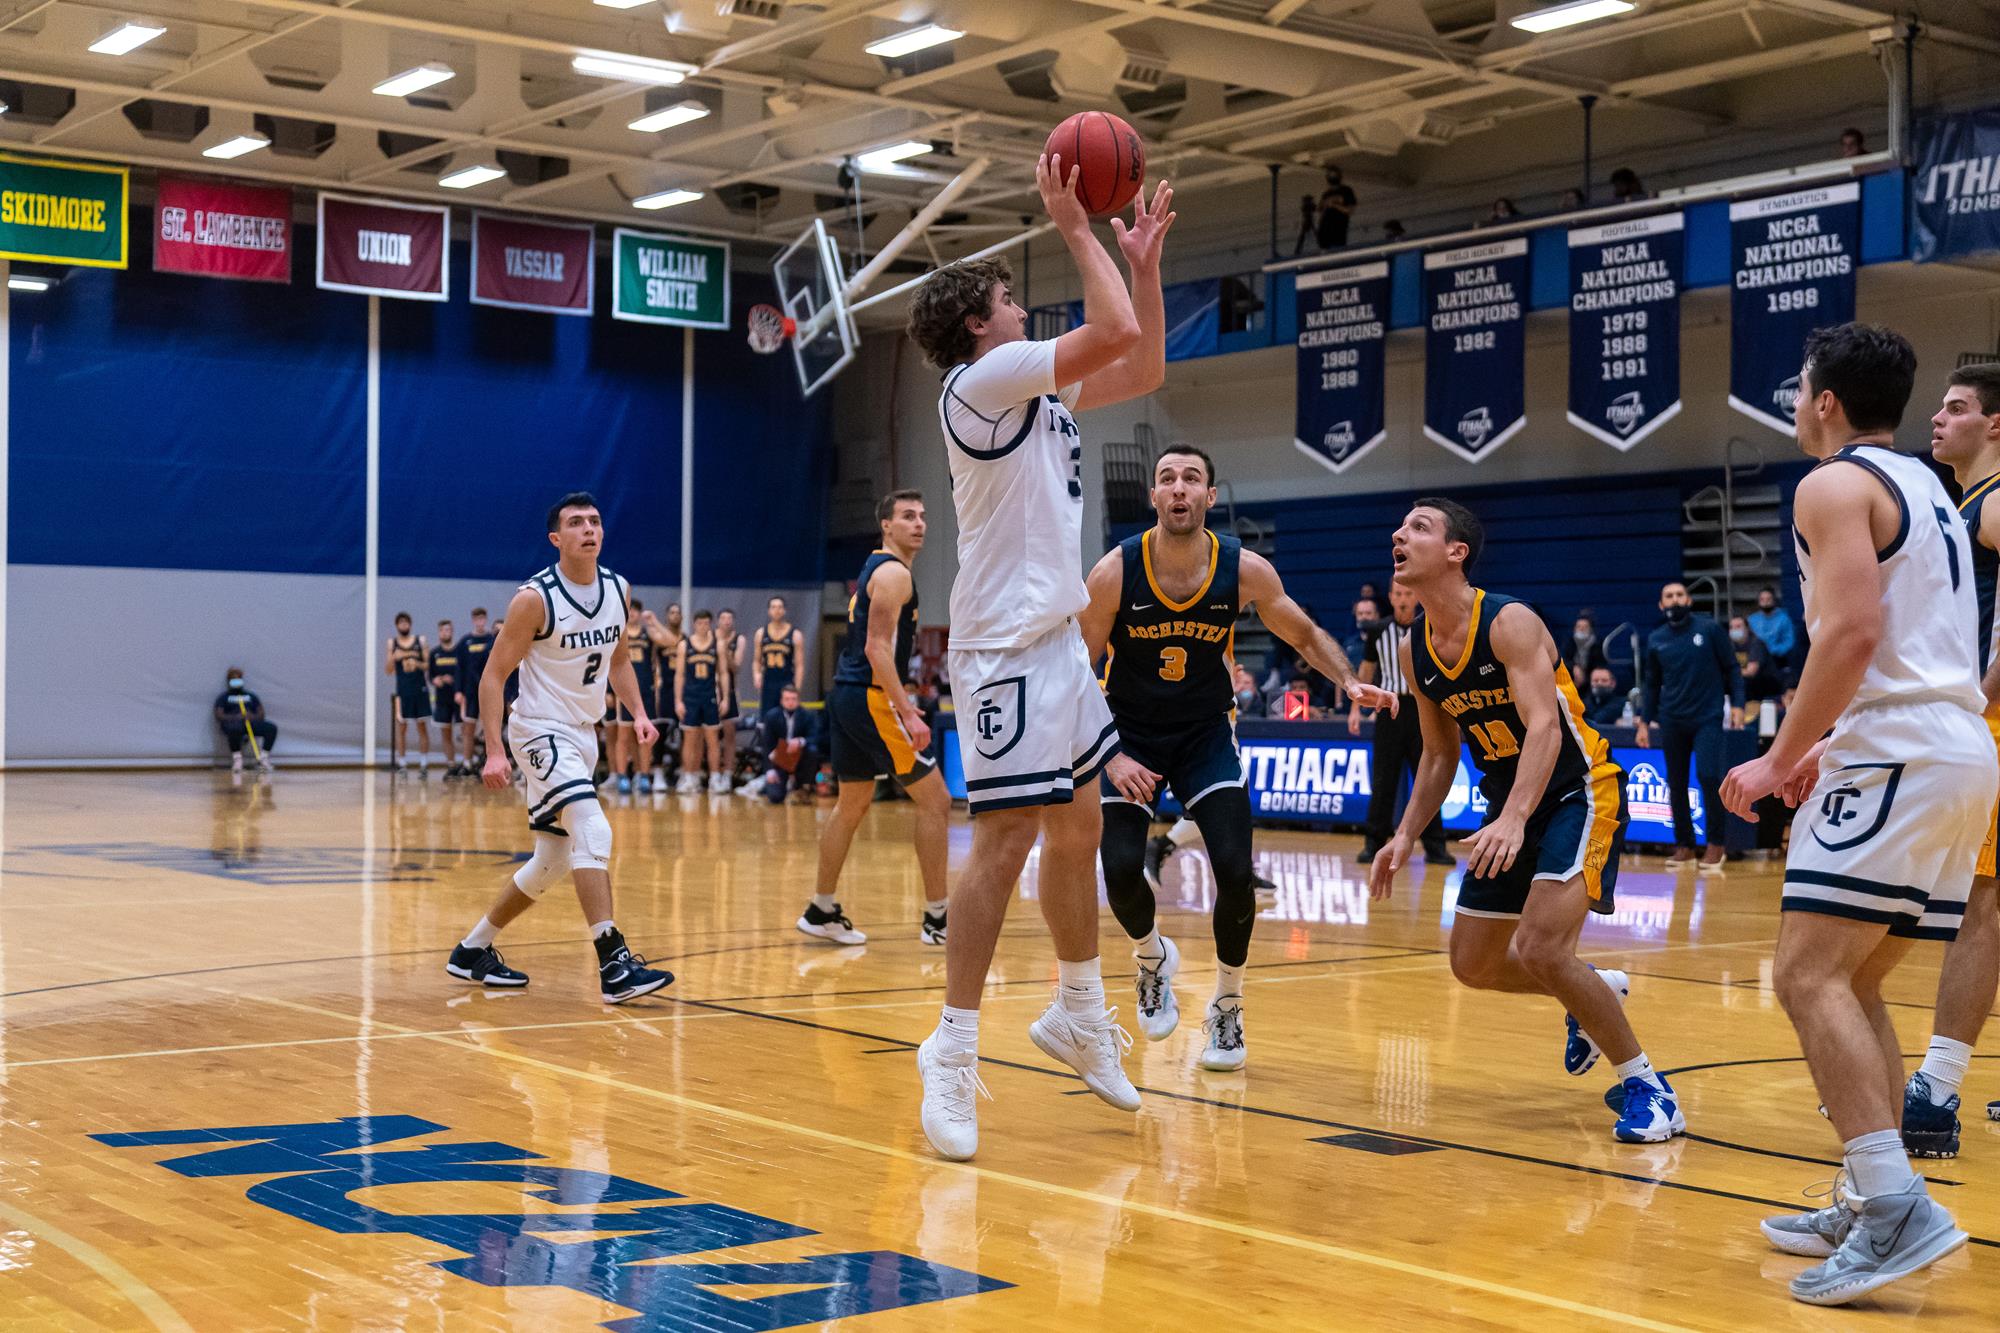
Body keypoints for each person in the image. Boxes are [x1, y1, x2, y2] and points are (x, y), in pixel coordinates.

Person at [904, 154, 1175, 1161]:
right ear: (978, 322)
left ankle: (1074, 1009)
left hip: (1055, 641)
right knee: (1008, 838)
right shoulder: (982, 381)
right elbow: (1106, 334)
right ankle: (952, 1046)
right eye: (1008, 297)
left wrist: (1137, 258)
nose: (1021, 307)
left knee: (1078, 829)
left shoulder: (1034, 395)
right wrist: (1078, 227)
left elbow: (1139, 361)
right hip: (1002, 651)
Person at [1721, 323, 1994, 1305]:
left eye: (1798, 391)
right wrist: (1827, 745)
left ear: (1822, 402)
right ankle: (1872, 1183)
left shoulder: (1830, 483)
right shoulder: (1928, 485)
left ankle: (1893, 1208)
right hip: (1950, 743)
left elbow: (1853, 631)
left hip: (1901, 749)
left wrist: (1777, 756)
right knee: (1858, 978)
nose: (1795, 408)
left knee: (1802, 973)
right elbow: (1912, 646)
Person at [1369, 499, 1678, 1145]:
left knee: (1539, 945)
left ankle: (1650, 1088)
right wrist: (1402, 834)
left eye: (1419, 527)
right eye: (1400, 527)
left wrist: (1514, 817)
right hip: (1507, 798)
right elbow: (1436, 753)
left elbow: (1543, 724)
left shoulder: (1508, 621)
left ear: (1456, 551)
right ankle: (1590, 993)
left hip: (1576, 788)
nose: (1400, 534)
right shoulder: (1412, 644)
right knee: (1473, 964)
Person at [1084, 444, 1395, 1070]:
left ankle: (1227, 1005)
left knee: (1233, 866)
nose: (1178, 488)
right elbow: (1075, 668)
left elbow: (1303, 632)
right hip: (1130, 735)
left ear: (1209, 496)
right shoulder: (1116, 571)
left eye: (1191, 478)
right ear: (1153, 497)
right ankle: (1151, 958)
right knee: (1120, 870)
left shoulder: (1243, 568)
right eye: (1166, 478)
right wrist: (1108, 753)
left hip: (1203, 732)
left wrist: (1348, 680)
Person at [444, 491, 674, 1005]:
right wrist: (495, 751)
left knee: (552, 859)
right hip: (539, 730)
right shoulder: (534, 599)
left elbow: (617, 662)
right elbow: (493, 677)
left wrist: (637, 713)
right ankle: (614, 965)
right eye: (576, 523)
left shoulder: (618, 589)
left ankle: (471, 950)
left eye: (594, 522)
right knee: (594, 828)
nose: (589, 530)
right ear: (556, 538)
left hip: (583, 734)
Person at [1908, 360, 2000, 1151]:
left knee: (1980, 902)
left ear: (1995, 425)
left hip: (1993, 720)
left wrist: (1988, 688)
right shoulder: (1963, 502)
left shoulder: (1995, 501)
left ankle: (1935, 1089)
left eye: (1957, 407)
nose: (1938, 418)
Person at [806, 490, 952, 946]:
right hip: (869, 697)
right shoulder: (893, 573)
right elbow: (876, 649)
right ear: (886, 525)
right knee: (937, 801)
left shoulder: (878, 569)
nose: (919, 524)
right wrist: (908, 712)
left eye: (923, 516)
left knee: (851, 803)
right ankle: (938, 919)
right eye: (908, 516)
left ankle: (821, 907)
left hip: (847, 694)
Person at [1636, 582, 1743, 873]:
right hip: (1672, 718)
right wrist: (1644, 722)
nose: (1675, 600)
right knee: (1676, 781)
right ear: (1661, 604)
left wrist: (1737, 705)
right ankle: (1684, 844)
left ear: (1689, 600)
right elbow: (1651, 684)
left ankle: (1716, 843)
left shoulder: (1708, 629)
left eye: (1679, 595)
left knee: (1709, 776)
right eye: (1668, 596)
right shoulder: (1657, 638)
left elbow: (1732, 668)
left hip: (1707, 716)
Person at [1349, 581, 1448, 865]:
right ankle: (1373, 843)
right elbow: (1367, 670)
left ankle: (1435, 847)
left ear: (1417, 596)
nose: (1403, 600)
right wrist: (1355, 708)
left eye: (1408, 594)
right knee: (1383, 781)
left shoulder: (1430, 626)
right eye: (1398, 595)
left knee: (1428, 779)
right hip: (1388, 710)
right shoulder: (1378, 630)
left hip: (1423, 710)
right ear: (1390, 597)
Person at [609, 600, 658, 794]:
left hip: (646, 691)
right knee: (624, 735)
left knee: (646, 736)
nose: (633, 614)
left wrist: (654, 622)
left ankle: (644, 775)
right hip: (625, 691)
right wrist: (609, 692)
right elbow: (610, 665)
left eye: (636, 611)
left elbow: (672, 641)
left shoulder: (648, 634)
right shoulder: (618, 634)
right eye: (630, 611)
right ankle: (622, 776)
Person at [674, 611, 724, 793]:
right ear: (694, 624)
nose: (703, 626)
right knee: (690, 740)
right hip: (690, 697)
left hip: (710, 696)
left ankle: (715, 779)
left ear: (711, 624)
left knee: (713, 740)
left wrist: (724, 698)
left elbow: (724, 673)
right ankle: (689, 777)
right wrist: (678, 701)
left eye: (706, 623)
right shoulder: (684, 646)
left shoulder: (718, 645)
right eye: (700, 623)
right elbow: (679, 675)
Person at [384, 612, 432, 774]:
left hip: (420, 688)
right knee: (402, 728)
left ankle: (424, 764)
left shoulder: (421, 641)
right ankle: (402, 763)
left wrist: (415, 662)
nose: (403, 625)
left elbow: (427, 665)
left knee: (421, 727)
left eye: (406, 622)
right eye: (401, 623)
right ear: (397, 625)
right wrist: (393, 657)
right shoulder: (393, 643)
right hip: (403, 690)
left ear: (410, 624)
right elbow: (388, 670)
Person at [643, 604, 683, 790]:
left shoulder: (687, 639)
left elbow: (676, 641)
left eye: (677, 613)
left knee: (685, 733)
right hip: (664, 690)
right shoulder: (658, 637)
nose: (675, 615)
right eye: (672, 612)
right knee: (660, 732)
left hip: (684, 691)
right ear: (667, 616)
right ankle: (657, 772)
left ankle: (683, 772)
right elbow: (669, 642)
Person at [759, 685, 820, 803]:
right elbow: (767, 745)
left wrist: (801, 741)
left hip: (800, 758)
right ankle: (774, 784)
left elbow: (816, 737)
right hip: (779, 760)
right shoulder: (771, 716)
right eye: (787, 699)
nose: (790, 702)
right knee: (775, 797)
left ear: (798, 700)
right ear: (781, 701)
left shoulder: (807, 716)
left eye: (793, 699)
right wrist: (769, 770)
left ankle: (803, 787)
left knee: (813, 750)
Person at [214, 667, 275, 774]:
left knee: (271, 728)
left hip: (250, 723)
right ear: (229, 681)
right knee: (234, 729)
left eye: (239, 679)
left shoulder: (250, 696)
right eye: (233, 679)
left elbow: (261, 713)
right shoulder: (224, 697)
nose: (237, 682)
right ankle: (238, 760)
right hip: (233, 724)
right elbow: (219, 715)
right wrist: (235, 717)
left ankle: (263, 758)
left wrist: (252, 716)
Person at [754, 596, 805, 716]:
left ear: (785, 610)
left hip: (787, 681)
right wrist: (756, 674)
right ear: (769, 611)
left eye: (780, 607)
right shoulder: (761, 633)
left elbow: (799, 665)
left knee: (787, 718)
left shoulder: (795, 634)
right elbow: (756, 660)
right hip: (768, 681)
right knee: (767, 719)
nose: (777, 610)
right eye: (773, 607)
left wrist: (797, 689)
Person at [459, 607, 495, 772]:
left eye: (482, 619)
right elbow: (459, 668)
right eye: (477, 619)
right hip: (470, 691)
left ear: (485, 620)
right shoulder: (465, 642)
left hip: (489, 689)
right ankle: (467, 762)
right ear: (473, 620)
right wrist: (458, 691)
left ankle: (490, 760)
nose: (480, 622)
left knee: (490, 726)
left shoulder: (492, 639)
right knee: (468, 727)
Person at [429, 620, 465, 779]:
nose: (446, 633)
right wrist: (436, 679)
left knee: (464, 733)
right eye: (443, 630)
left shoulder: (459, 651)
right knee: (446, 733)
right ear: (439, 633)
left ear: (452, 632)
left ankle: (466, 764)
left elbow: (464, 672)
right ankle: (451, 765)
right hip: (442, 700)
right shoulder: (434, 653)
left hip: (458, 698)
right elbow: (430, 675)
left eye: (448, 630)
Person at [714, 608, 744, 789]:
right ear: (717, 620)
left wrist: (724, 650)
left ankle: (727, 773)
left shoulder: (738, 639)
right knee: (708, 735)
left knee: (729, 734)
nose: (726, 621)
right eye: (723, 617)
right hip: (709, 688)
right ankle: (713, 773)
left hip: (730, 689)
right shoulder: (709, 636)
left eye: (729, 618)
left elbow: (736, 667)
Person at [1747, 586, 1798, 676]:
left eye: (1768, 599)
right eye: (1762, 599)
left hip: (1777, 659)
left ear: (1774, 600)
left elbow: (1789, 641)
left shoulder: (1784, 619)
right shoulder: (1752, 620)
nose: (1765, 602)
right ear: (1758, 601)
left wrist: (1773, 650)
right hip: (1755, 660)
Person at [1730, 616, 1780, 702]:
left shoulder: (1756, 643)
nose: (1734, 630)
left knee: (1743, 682)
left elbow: (1751, 672)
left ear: (1747, 628)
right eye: (1731, 627)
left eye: (1738, 626)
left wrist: (1729, 672)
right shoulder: (1730, 645)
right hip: (1748, 681)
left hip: (1767, 682)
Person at [1563, 612, 1610, 691]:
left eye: (1585, 627)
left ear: (1590, 629)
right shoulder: (1570, 642)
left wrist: (1586, 677)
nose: (1581, 629)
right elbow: (1564, 659)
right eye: (1579, 626)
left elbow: (1600, 665)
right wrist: (1574, 667)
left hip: (1591, 683)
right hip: (1571, 680)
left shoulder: (1597, 644)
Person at [1314, 166, 1355, 251]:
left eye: (1334, 175)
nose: (1332, 177)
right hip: (1324, 235)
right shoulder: (1326, 194)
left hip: (1337, 233)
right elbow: (1320, 211)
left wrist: (1334, 205)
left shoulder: (1346, 191)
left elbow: (1349, 210)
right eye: (1330, 175)